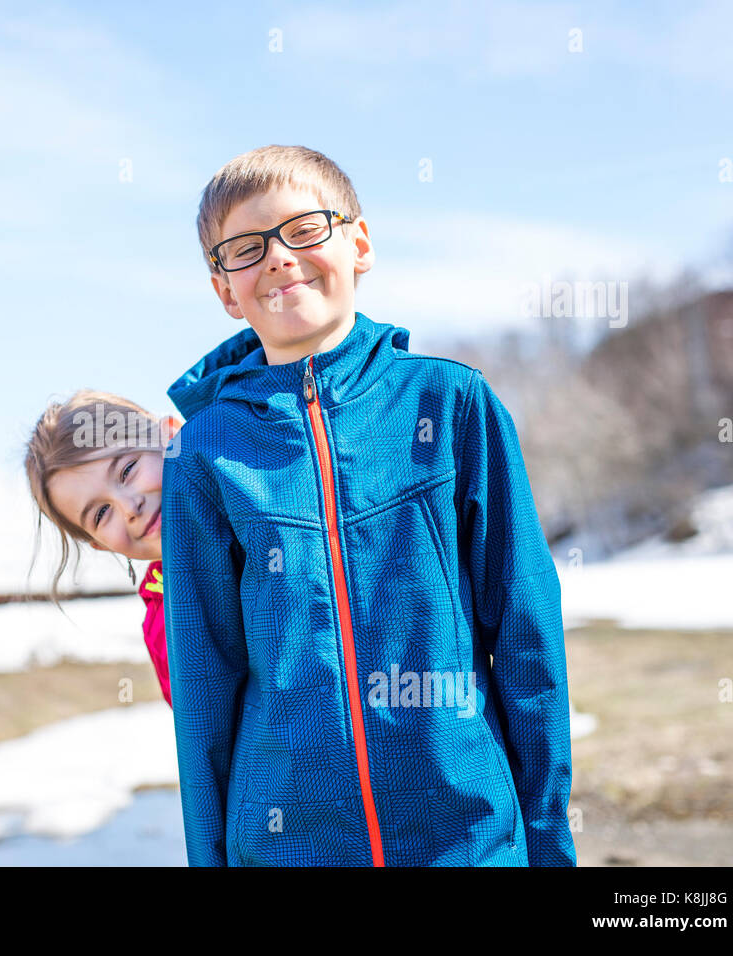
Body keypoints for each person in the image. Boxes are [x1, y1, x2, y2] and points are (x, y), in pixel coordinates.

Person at [161, 144, 577, 866]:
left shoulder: (450, 404)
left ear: (358, 243)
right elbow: (204, 687)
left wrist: (547, 843)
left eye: (303, 229)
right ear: (225, 289)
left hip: (467, 839)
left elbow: (525, 634)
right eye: (245, 249)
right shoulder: (205, 453)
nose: (280, 258)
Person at [24, 388, 181, 708]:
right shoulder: (164, 628)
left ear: (170, 436)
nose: (129, 507)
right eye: (100, 513)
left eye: (127, 471)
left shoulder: (267, 503)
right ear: (100, 544)